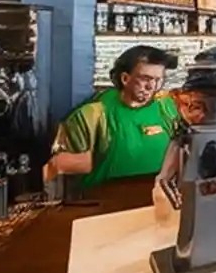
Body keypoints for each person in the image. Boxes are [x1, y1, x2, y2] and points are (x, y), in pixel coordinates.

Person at [44, 45, 180, 188]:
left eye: (158, 80)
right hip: (104, 203)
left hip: (157, 202)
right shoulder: (92, 115)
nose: (152, 86)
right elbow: (57, 169)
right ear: (125, 78)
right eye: (145, 79)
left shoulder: (167, 109)